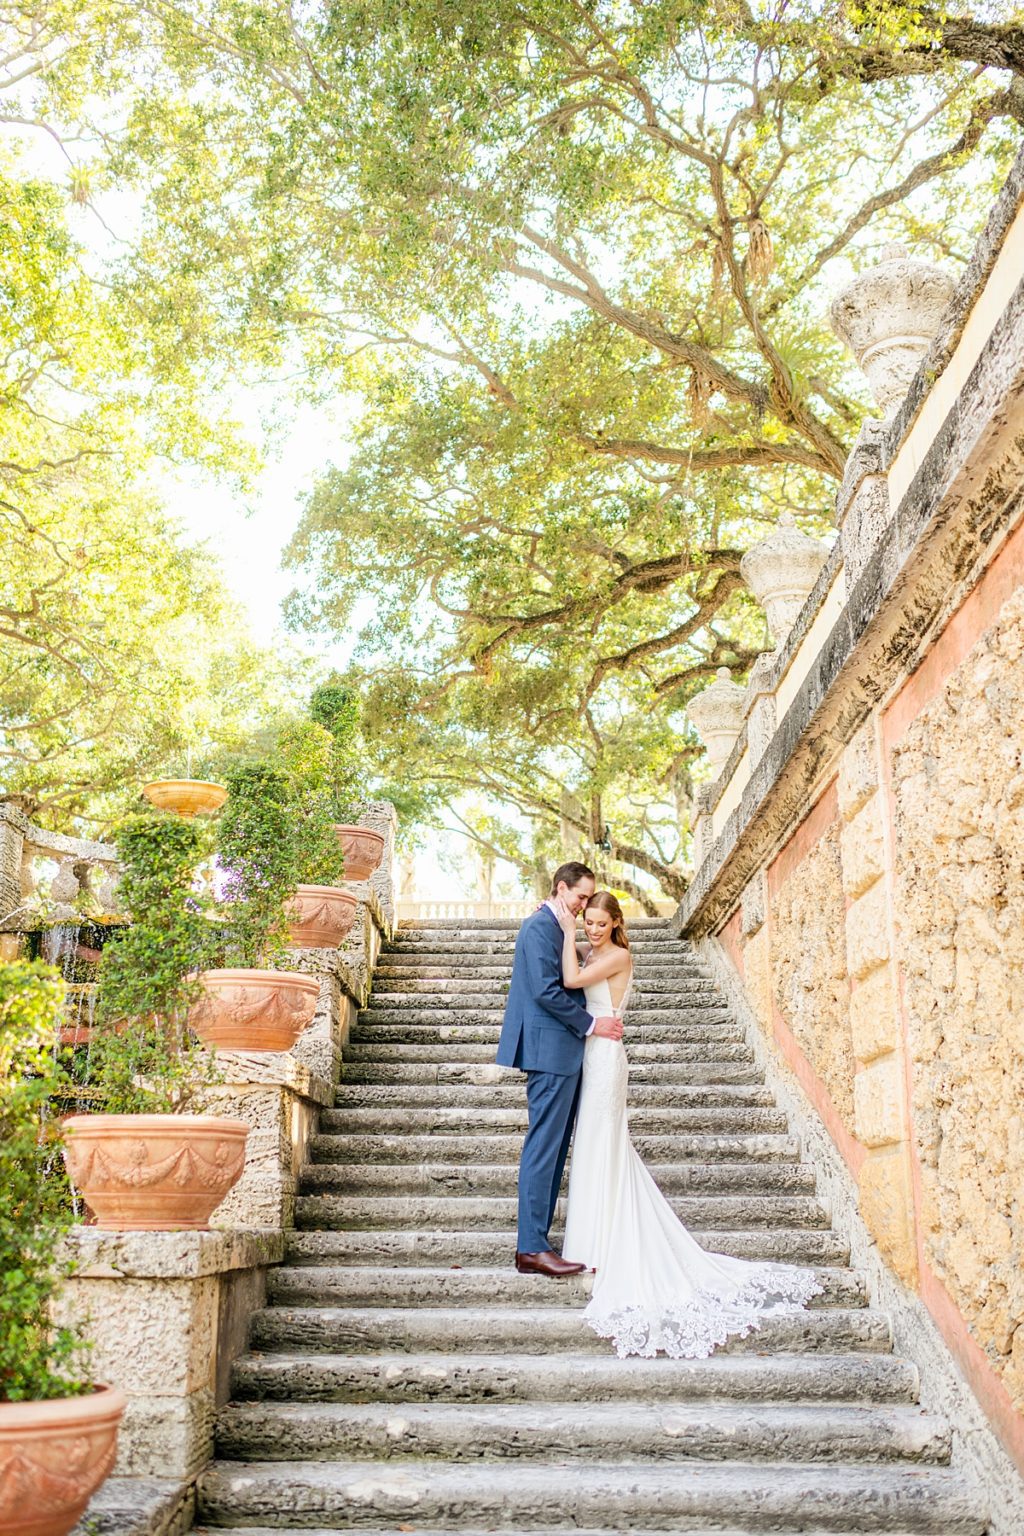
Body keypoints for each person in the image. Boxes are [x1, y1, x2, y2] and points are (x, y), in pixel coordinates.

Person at [557, 890, 822, 1358]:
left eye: (601, 923)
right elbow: (579, 962)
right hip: (593, 1055)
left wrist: (565, 929)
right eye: (588, 922)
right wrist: (570, 933)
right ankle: (591, 1244)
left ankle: (602, 1248)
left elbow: (572, 977)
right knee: (596, 1146)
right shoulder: (599, 949)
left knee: (602, 1145)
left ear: (617, 924)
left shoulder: (616, 955)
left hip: (605, 1058)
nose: (592, 930)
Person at [495, 863, 623, 1278]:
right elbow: (546, 991)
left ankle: (539, 1243)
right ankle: (530, 1248)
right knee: (543, 1149)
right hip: (549, 1053)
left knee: (553, 1150)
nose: (585, 907)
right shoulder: (538, 928)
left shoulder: (558, 926)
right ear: (560, 888)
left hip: (565, 1054)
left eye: (590, 900)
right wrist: (592, 1024)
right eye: (580, 897)